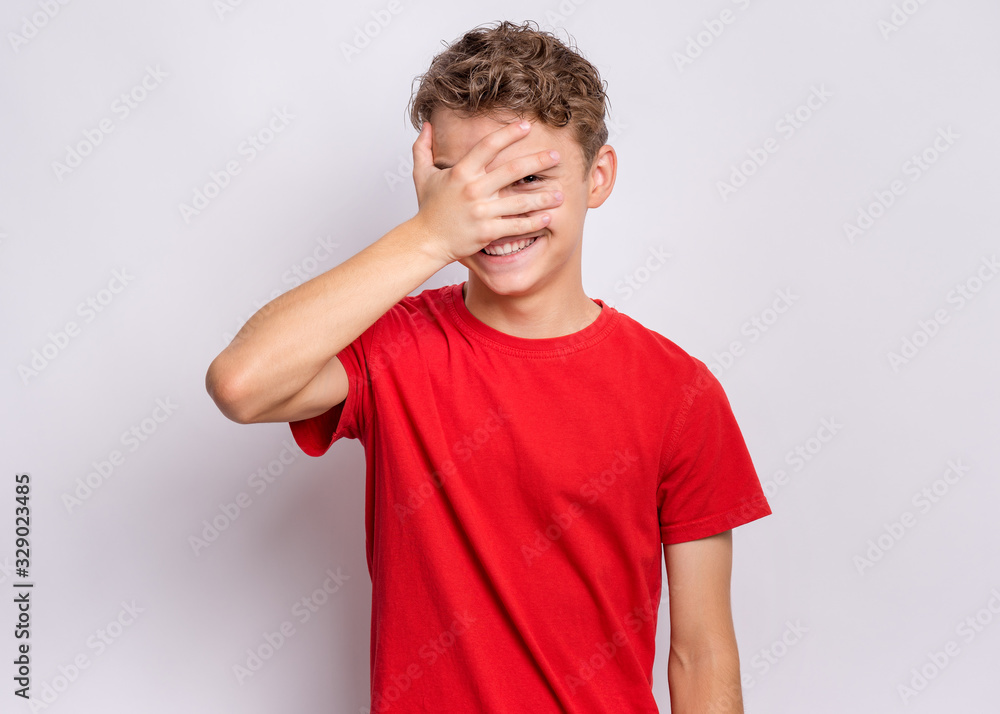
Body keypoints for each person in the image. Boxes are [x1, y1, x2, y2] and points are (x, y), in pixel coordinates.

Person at [206, 19, 771, 713]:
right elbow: (242, 384)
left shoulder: (679, 391)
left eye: (529, 180)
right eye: (467, 187)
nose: (496, 216)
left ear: (597, 177)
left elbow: (702, 653)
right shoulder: (393, 346)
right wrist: (429, 236)